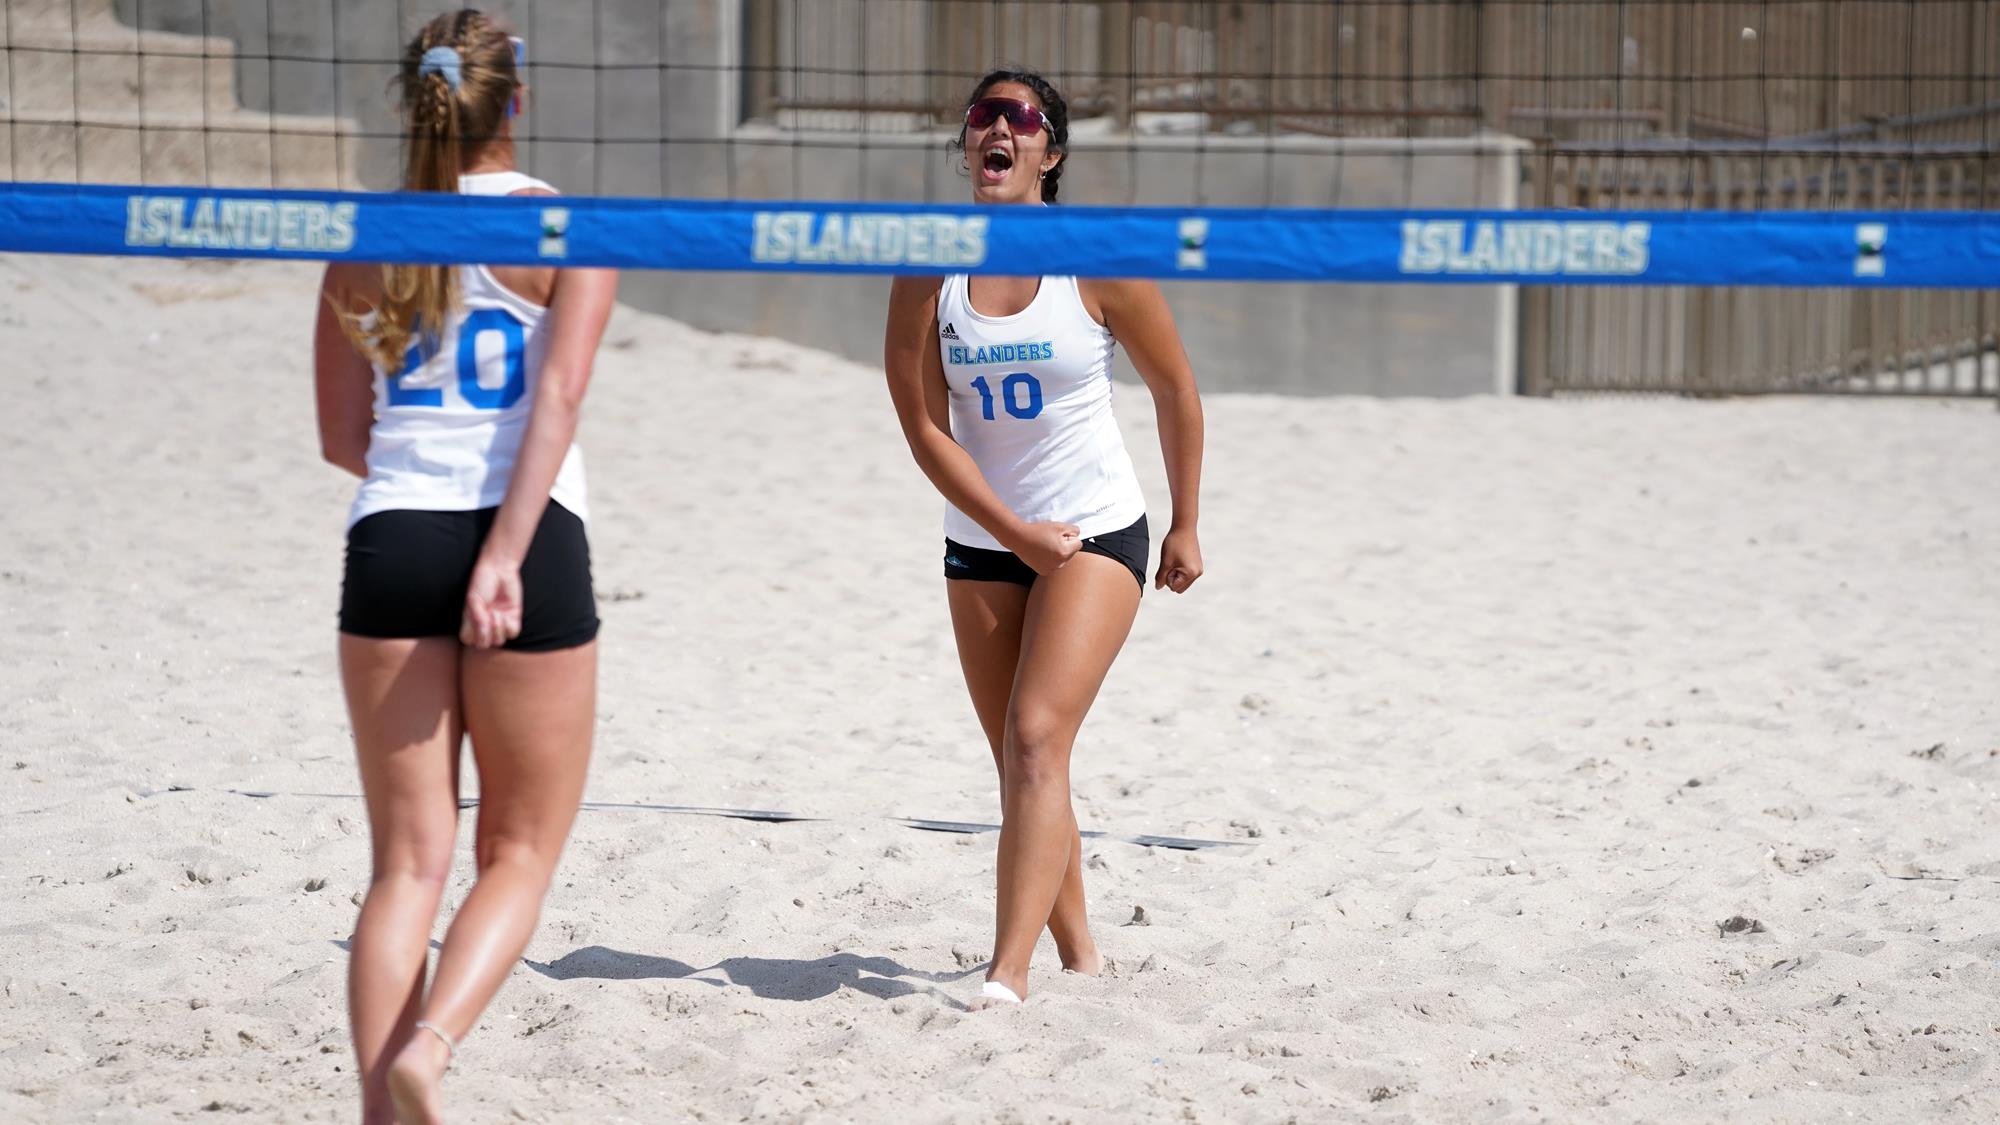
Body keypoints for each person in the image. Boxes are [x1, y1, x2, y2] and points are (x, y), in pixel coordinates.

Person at [311, 10, 616, 1121]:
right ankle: (430, 1049)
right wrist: (500, 554)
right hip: (528, 541)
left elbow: (343, 438)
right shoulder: (560, 228)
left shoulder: (366, 235)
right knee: (519, 852)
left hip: (393, 534)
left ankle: (380, 1114)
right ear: (514, 103)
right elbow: (561, 398)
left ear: (415, 101)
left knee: (405, 868)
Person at [881, 67, 1207, 1007]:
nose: (997, 130)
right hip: (989, 536)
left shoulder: (1094, 258)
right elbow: (923, 427)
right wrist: (1012, 530)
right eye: (983, 116)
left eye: (1018, 119)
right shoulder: (926, 264)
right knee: (1027, 762)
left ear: (1048, 153)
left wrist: (1186, 519)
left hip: (1096, 531)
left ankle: (1004, 975)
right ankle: (1083, 957)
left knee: (1034, 737)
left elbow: (1178, 390)